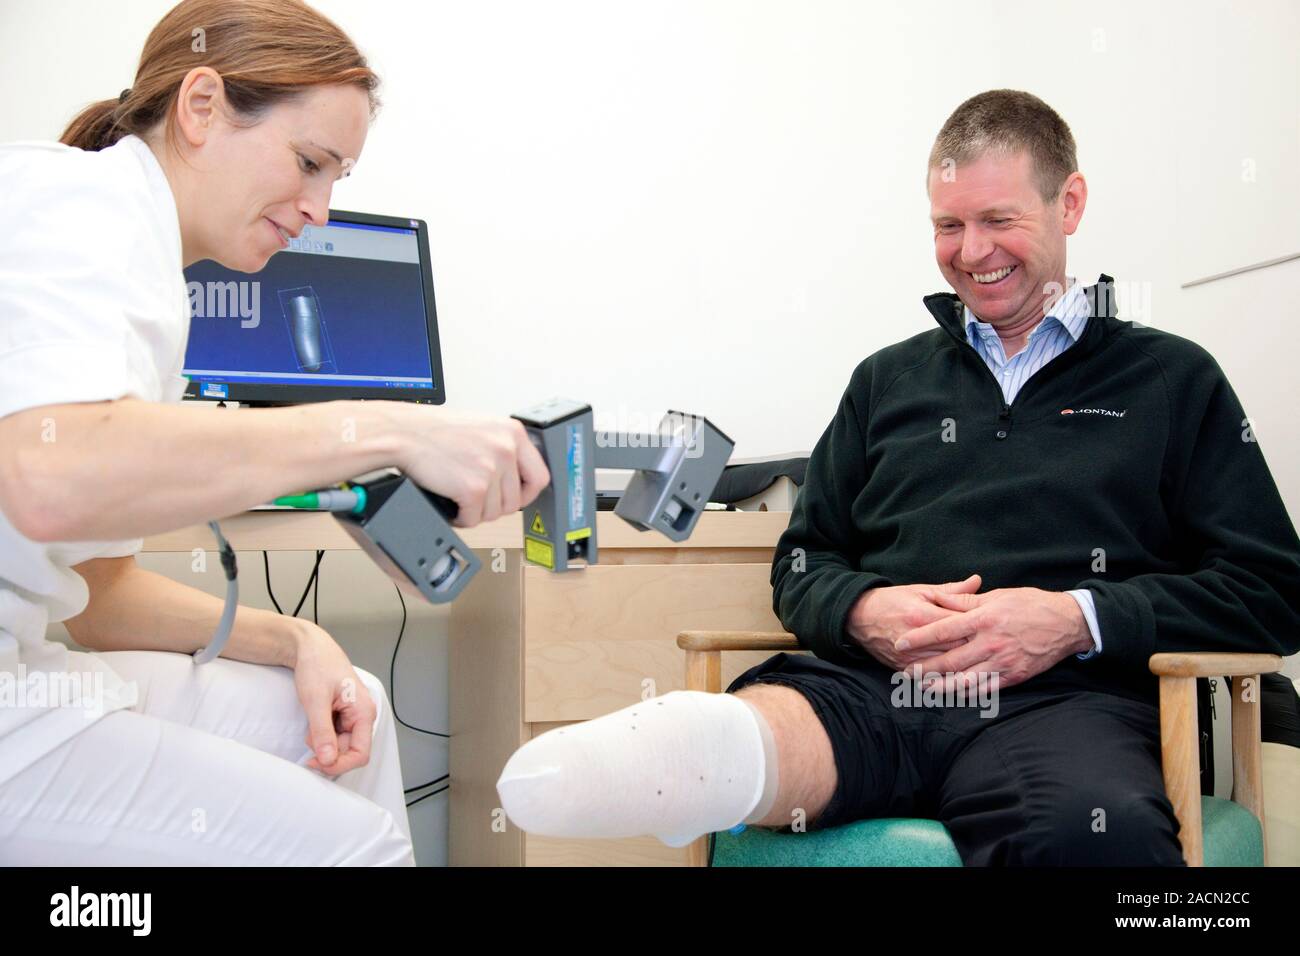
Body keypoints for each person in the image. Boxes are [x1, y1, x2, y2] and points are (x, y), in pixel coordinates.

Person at [495, 89, 1300, 864]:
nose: (971, 251)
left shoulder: (1170, 379)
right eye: (948, 225)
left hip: (1067, 706)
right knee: (721, 747)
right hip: (875, 691)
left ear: (1071, 204)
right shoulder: (886, 381)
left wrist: (1075, 618)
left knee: (1095, 836)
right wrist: (865, 609)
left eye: (998, 220)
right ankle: (654, 761)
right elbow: (803, 564)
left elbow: (1271, 592)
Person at [0, 0, 548, 865]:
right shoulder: (75, 203)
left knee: (341, 700)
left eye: (338, 179)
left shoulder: (144, 273)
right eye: (308, 162)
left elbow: (99, 599)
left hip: (22, 665)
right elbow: (46, 476)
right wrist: (382, 430)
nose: (320, 210)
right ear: (202, 105)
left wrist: (298, 639)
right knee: (352, 846)